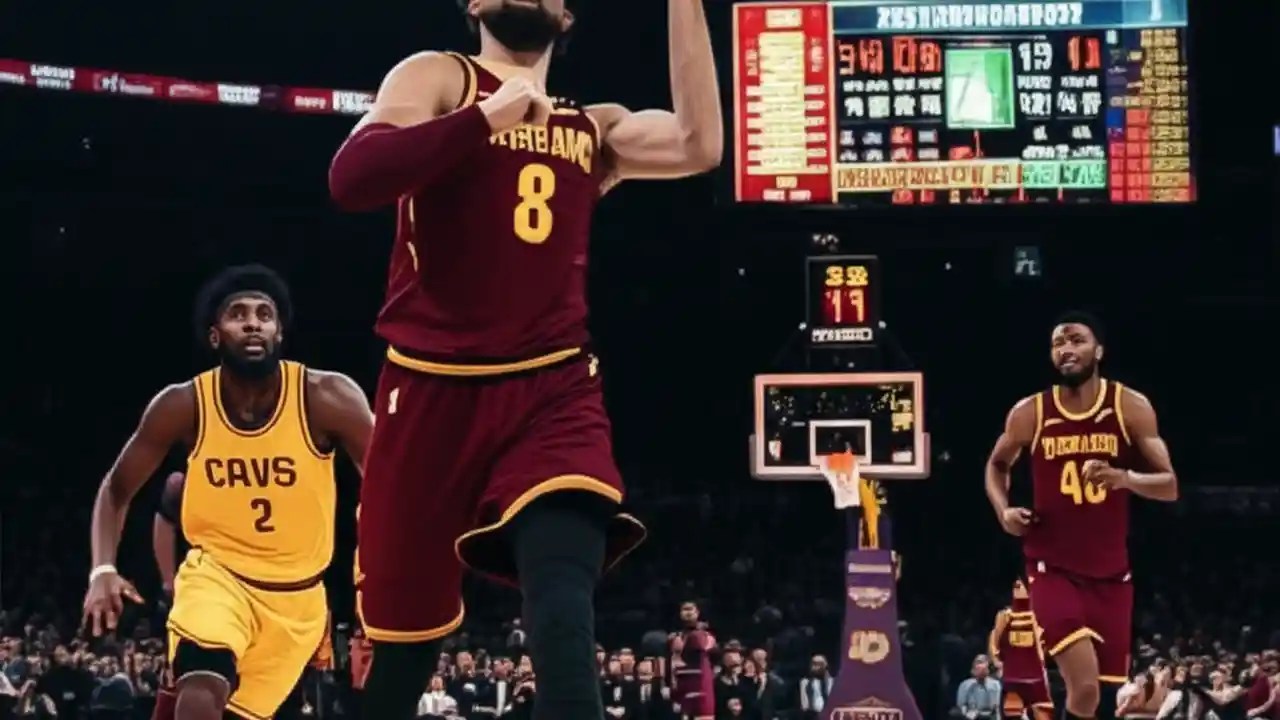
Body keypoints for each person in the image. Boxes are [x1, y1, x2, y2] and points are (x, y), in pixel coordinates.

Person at [326, 0, 722, 718]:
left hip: (552, 387)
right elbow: (352, 179)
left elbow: (700, 145)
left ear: (567, 15)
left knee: (563, 602)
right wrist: (486, 118)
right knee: (401, 655)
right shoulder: (440, 78)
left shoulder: (590, 124)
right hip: (428, 390)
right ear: (474, 4)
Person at [82, 264, 374, 720]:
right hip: (217, 576)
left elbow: (389, 485)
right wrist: (102, 568)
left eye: (265, 314)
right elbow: (117, 489)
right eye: (238, 314)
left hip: (298, 601)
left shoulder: (326, 397)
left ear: (279, 333)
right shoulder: (183, 405)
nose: (253, 322)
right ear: (216, 336)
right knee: (201, 688)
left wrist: (380, 575)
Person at [985, 312, 1179, 720]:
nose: (1066, 349)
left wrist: (1123, 478)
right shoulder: (1031, 412)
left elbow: (1169, 486)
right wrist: (1004, 510)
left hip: (1111, 575)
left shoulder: (1129, 406)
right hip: (1051, 567)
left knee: (1094, 701)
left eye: (1076, 340)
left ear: (1100, 350)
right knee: (1084, 682)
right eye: (1058, 343)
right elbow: (996, 465)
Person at [988, 579, 1053, 720]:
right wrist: (997, 661)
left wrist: (1044, 662)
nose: (1021, 590)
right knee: (1012, 713)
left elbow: (1045, 642)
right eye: (1017, 586)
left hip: (1036, 678)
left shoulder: (1037, 616)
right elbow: (995, 640)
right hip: (1013, 678)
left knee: (1043, 713)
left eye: (1025, 586)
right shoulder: (1005, 616)